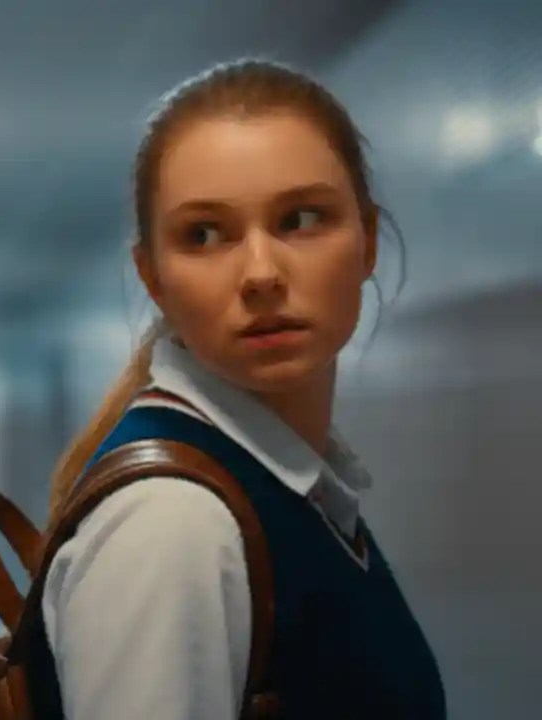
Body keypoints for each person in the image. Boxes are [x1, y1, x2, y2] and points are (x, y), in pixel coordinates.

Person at [38, 60, 445, 719]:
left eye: (301, 219)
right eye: (204, 234)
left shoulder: (289, 493)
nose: (260, 273)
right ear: (153, 277)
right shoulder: (174, 526)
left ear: (367, 242)